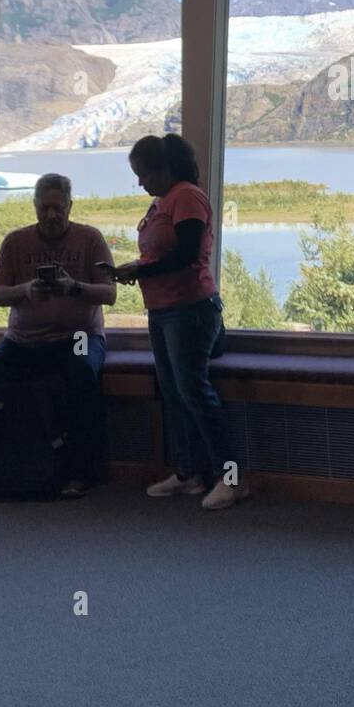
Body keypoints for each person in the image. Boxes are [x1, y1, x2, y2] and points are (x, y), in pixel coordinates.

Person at [111, 134, 244, 511]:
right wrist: (140, 270)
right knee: (174, 394)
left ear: (164, 168)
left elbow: (187, 254)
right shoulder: (162, 203)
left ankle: (230, 478)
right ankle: (190, 473)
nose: (140, 183)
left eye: (144, 174)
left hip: (190, 309)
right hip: (163, 309)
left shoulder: (187, 196)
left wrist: (138, 268)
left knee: (194, 392)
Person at [0, 174, 116, 498]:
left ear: (70, 206)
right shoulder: (15, 242)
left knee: (82, 375)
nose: (52, 215)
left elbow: (110, 294)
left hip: (79, 336)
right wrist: (26, 290)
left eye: (58, 208)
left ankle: (82, 471)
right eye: (45, 208)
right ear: (35, 207)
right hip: (24, 339)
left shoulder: (90, 239)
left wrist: (75, 288)